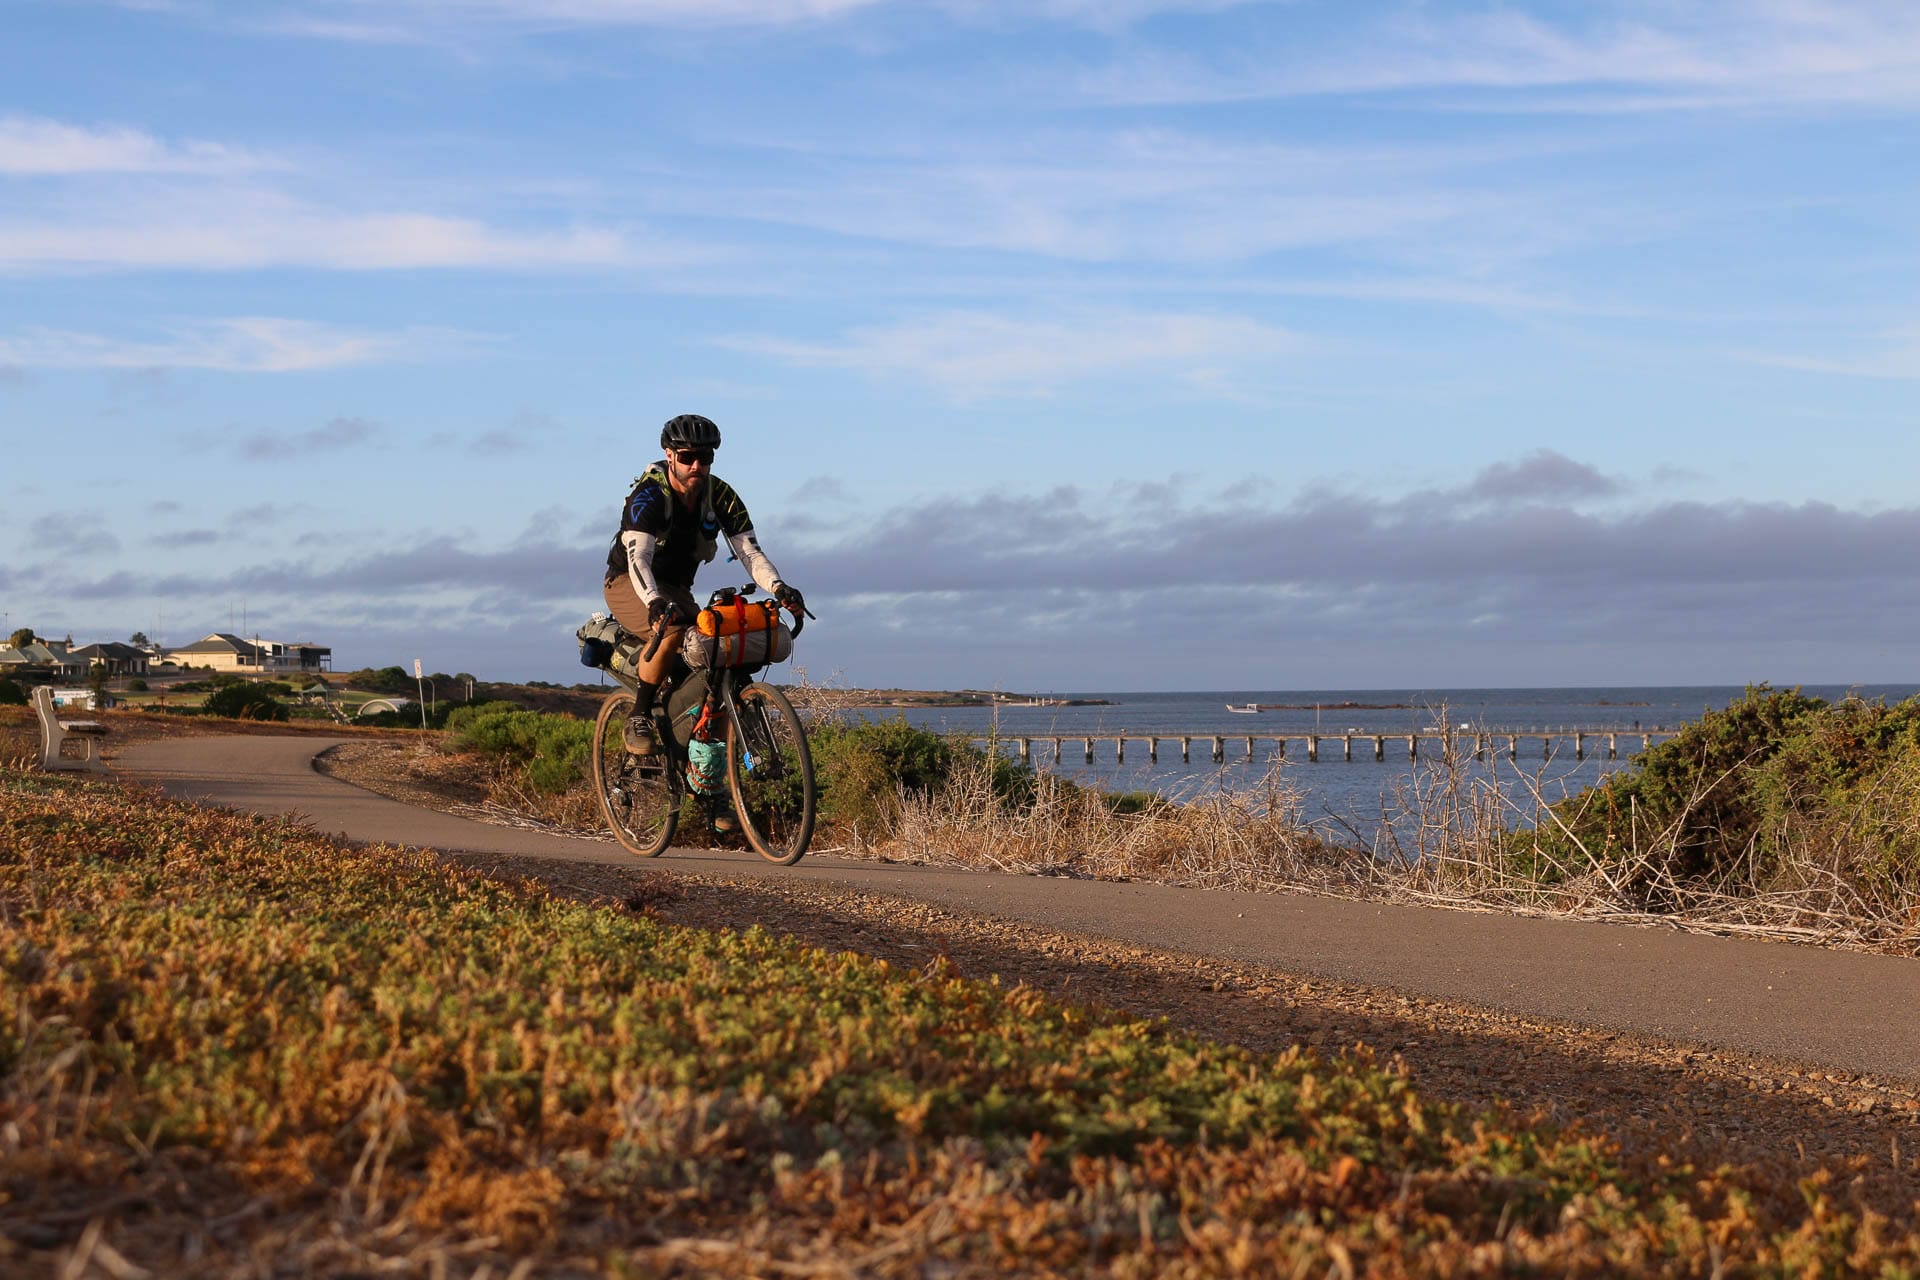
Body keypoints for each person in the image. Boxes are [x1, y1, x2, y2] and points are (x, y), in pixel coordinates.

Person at [603, 413, 805, 761]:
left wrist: (779, 587)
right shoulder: (648, 496)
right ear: (669, 455)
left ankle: (704, 774)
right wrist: (653, 602)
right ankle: (638, 715)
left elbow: (749, 551)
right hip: (628, 582)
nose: (697, 464)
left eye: (706, 457)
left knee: (714, 652)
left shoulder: (721, 495)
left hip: (678, 587)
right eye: (687, 457)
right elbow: (638, 560)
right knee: (671, 632)